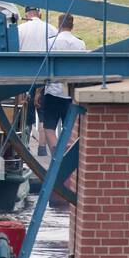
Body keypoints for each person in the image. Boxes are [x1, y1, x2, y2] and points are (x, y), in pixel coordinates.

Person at [41, 13, 85, 158]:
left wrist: (37, 91)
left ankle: (56, 153)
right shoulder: (80, 43)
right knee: (70, 129)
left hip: (53, 91)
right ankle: (65, 154)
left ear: (59, 25)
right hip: (70, 94)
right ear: (72, 26)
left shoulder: (51, 42)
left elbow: (45, 67)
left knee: (49, 127)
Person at [16, 5, 52, 154]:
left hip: (26, 76)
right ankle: (42, 149)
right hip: (44, 76)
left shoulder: (20, 29)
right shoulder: (51, 28)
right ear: (39, 13)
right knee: (43, 114)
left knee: (26, 113)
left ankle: (25, 146)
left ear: (26, 14)